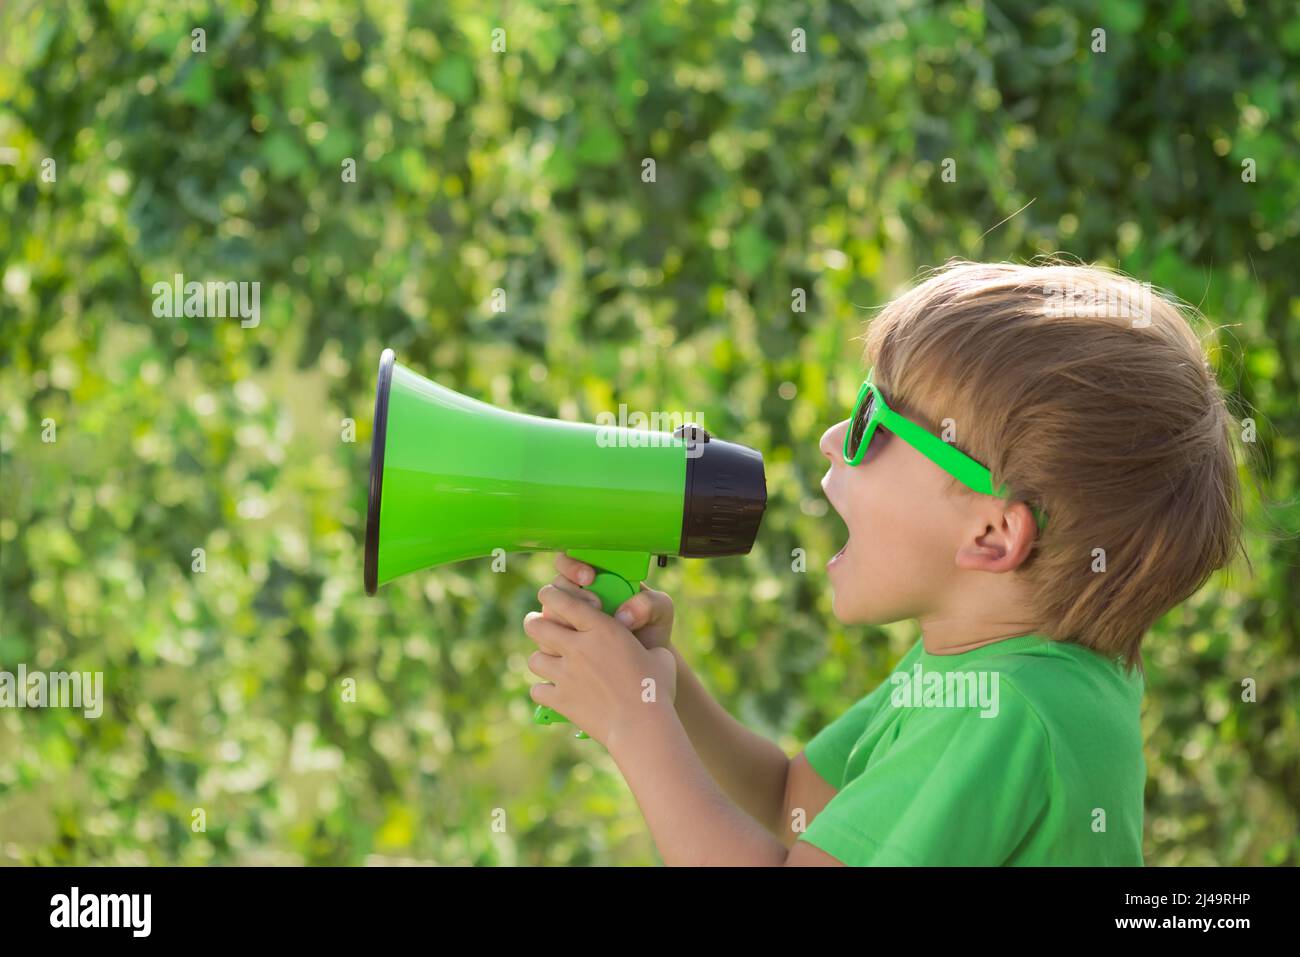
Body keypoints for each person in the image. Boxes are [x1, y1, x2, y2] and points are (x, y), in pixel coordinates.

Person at [522, 259, 1245, 865]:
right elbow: (790, 803)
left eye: (874, 420)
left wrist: (632, 728)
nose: (834, 437)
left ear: (992, 533)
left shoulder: (1006, 710)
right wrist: (663, 690)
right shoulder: (992, 671)